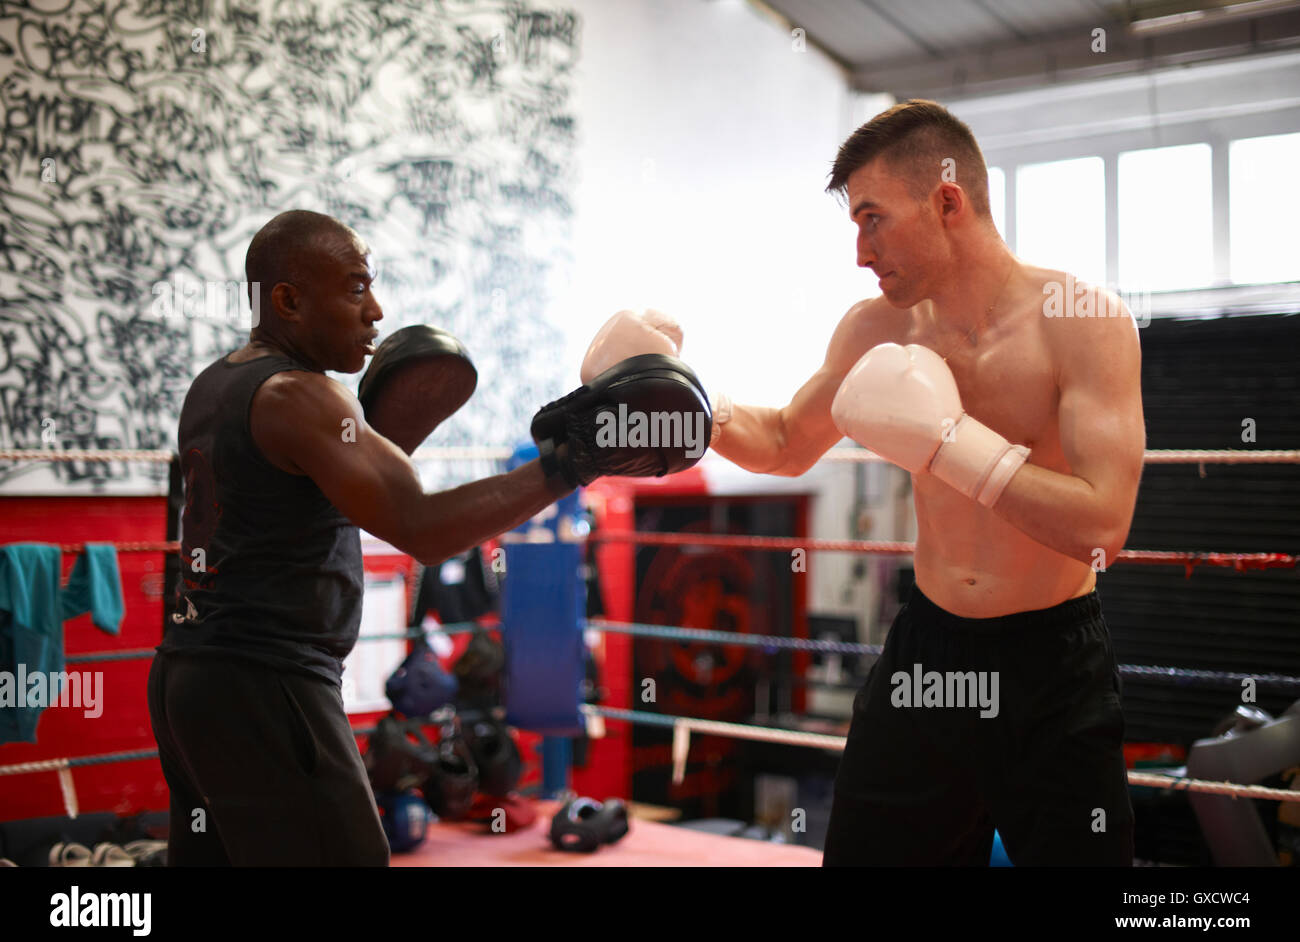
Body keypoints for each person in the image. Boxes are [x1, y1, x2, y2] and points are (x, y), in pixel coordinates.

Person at [596, 100, 1145, 865]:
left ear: (946, 201)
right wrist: (682, 400)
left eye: (872, 219)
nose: (861, 251)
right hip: (929, 652)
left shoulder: (1083, 323)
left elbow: (1102, 530)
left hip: (1050, 667)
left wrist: (952, 444)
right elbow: (787, 442)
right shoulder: (874, 329)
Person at [148, 210, 709, 865]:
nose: (376, 310)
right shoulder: (299, 396)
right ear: (289, 301)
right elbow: (425, 530)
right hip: (266, 689)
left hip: (188, 676)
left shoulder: (216, 384)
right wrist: (574, 463)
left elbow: (304, 508)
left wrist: (381, 441)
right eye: (356, 289)